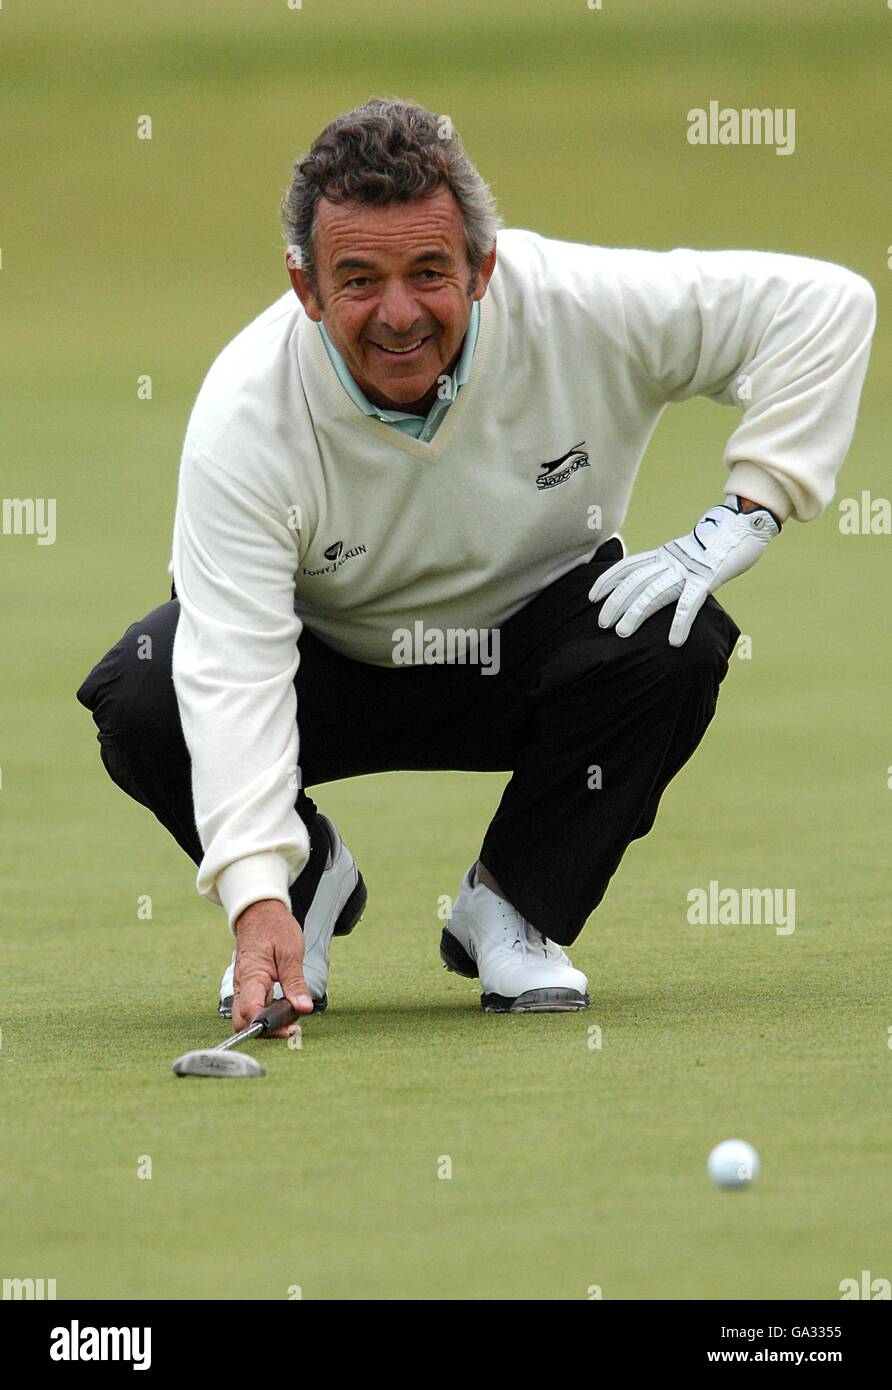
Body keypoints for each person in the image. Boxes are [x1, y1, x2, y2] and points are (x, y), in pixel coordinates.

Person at [76, 97, 876, 1034]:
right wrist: (258, 889)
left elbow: (827, 306)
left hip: (531, 651)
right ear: (306, 286)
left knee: (676, 632)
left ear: (483, 266)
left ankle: (514, 909)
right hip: (323, 665)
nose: (400, 313)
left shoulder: (578, 305)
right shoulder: (244, 416)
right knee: (146, 686)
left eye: (429, 271)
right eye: (359, 279)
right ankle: (307, 885)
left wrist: (750, 509)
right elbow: (233, 664)